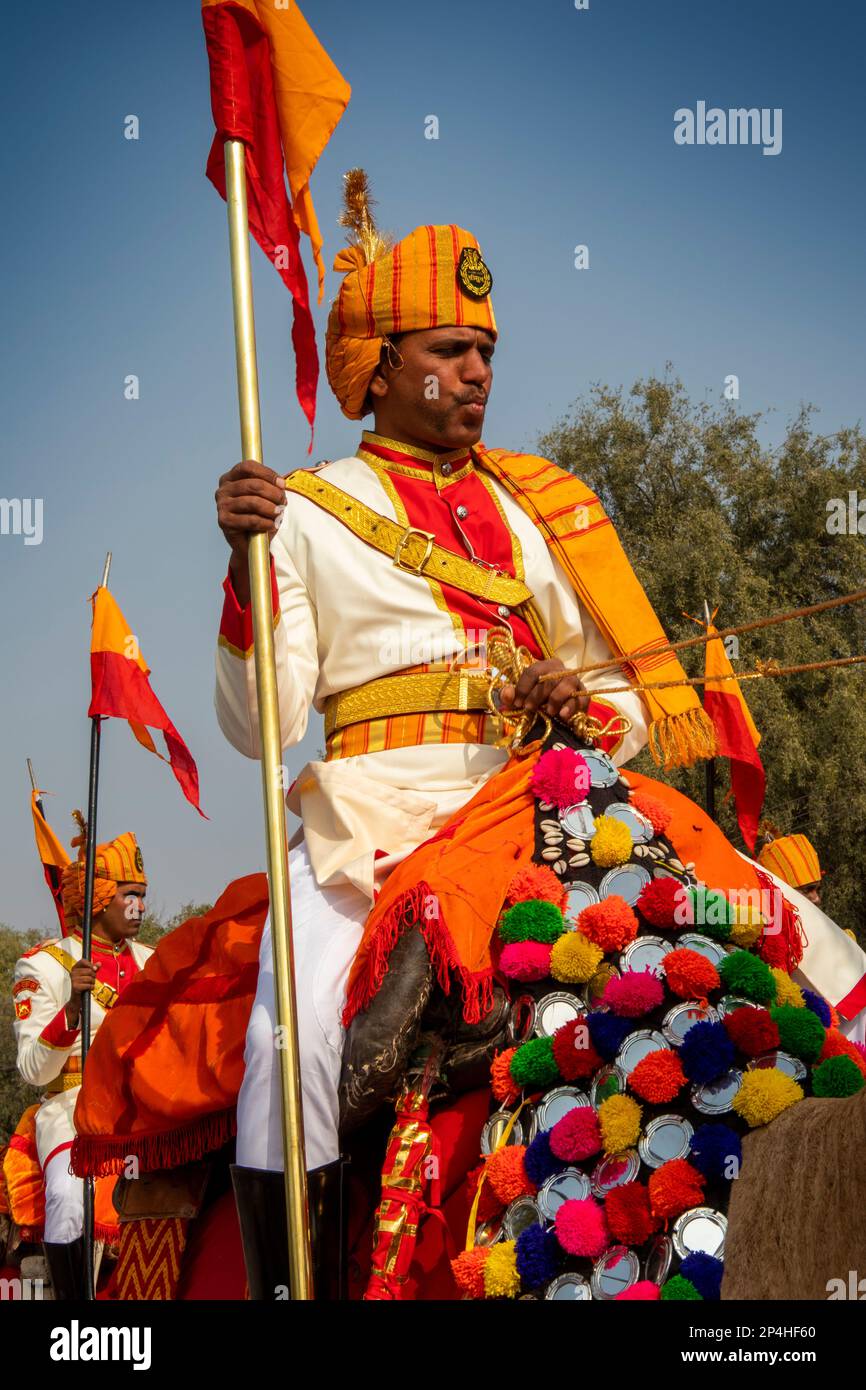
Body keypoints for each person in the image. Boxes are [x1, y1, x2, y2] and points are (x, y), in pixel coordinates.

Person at [212, 185, 723, 1293]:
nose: (480, 372)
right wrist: (244, 574)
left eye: (487, 350)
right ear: (382, 367)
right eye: (452, 349)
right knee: (285, 1047)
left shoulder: (542, 512)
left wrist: (572, 698)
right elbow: (264, 727)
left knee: (767, 944)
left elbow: (628, 704)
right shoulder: (305, 508)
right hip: (372, 823)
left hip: (532, 803)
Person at [12, 820, 151, 1298]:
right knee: (68, 1197)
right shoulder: (45, 965)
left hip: (146, 1109)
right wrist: (72, 1008)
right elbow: (32, 1071)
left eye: (143, 895)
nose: (140, 907)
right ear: (98, 899)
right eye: (130, 895)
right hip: (71, 1108)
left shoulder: (156, 960)